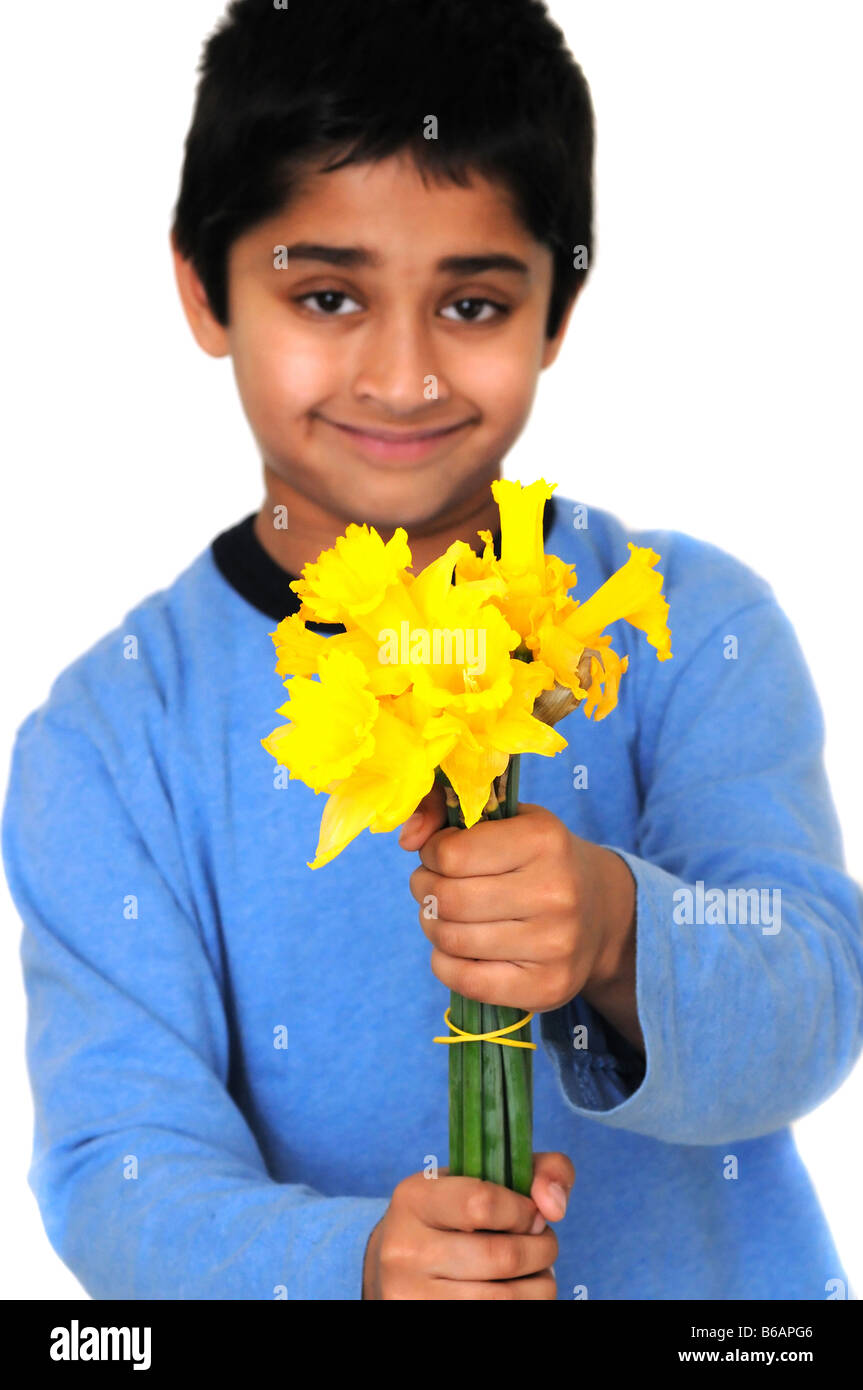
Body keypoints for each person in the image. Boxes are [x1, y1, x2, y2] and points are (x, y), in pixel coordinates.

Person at [3, 0, 861, 1301]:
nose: (402, 377)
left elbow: (809, 987)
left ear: (558, 306)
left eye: (471, 301)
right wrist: (351, 1262)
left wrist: (621, 927)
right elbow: (120, 1162)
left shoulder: (691, 624)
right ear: (202, 285)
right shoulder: (107, 742)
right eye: (328, 294)